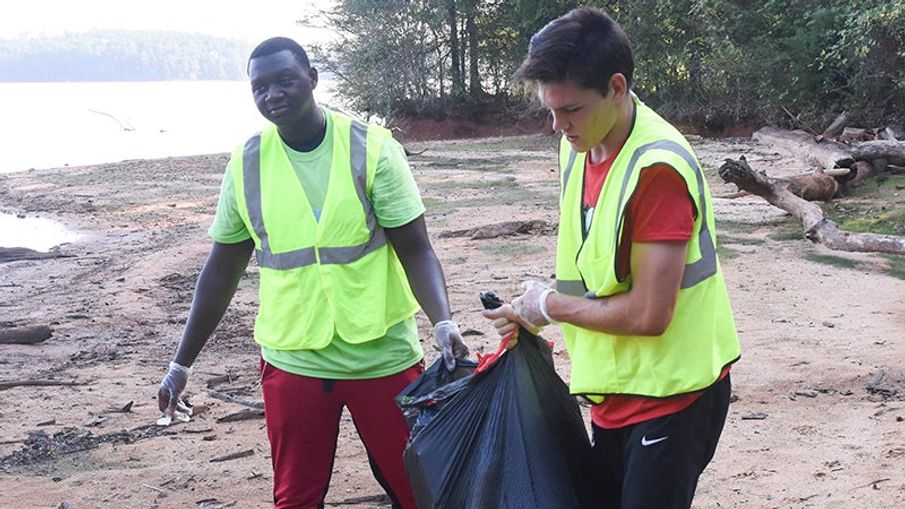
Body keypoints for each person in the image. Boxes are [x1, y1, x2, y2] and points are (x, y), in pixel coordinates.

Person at [157, 36, 468, 509]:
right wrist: (181, 364)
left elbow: (416, 249)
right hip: (294, 360)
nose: (272, 94)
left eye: (285, 80)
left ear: (313, 79)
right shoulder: (247, 165)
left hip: (381, 356)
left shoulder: (372, 149)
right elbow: (220, 271)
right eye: (260, 87)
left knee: (419, 490)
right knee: (296, 499)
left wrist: (442, 321)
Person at [483, 8, 741, 509]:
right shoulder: (580, 146)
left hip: (672, 395)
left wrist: (550, 306)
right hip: (614, 390)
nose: (558, 126)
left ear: (617, 88)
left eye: (571, 110)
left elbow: (649, 314)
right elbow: (596, 268)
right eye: (550, 110)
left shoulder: (657, 171)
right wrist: (532, 309)